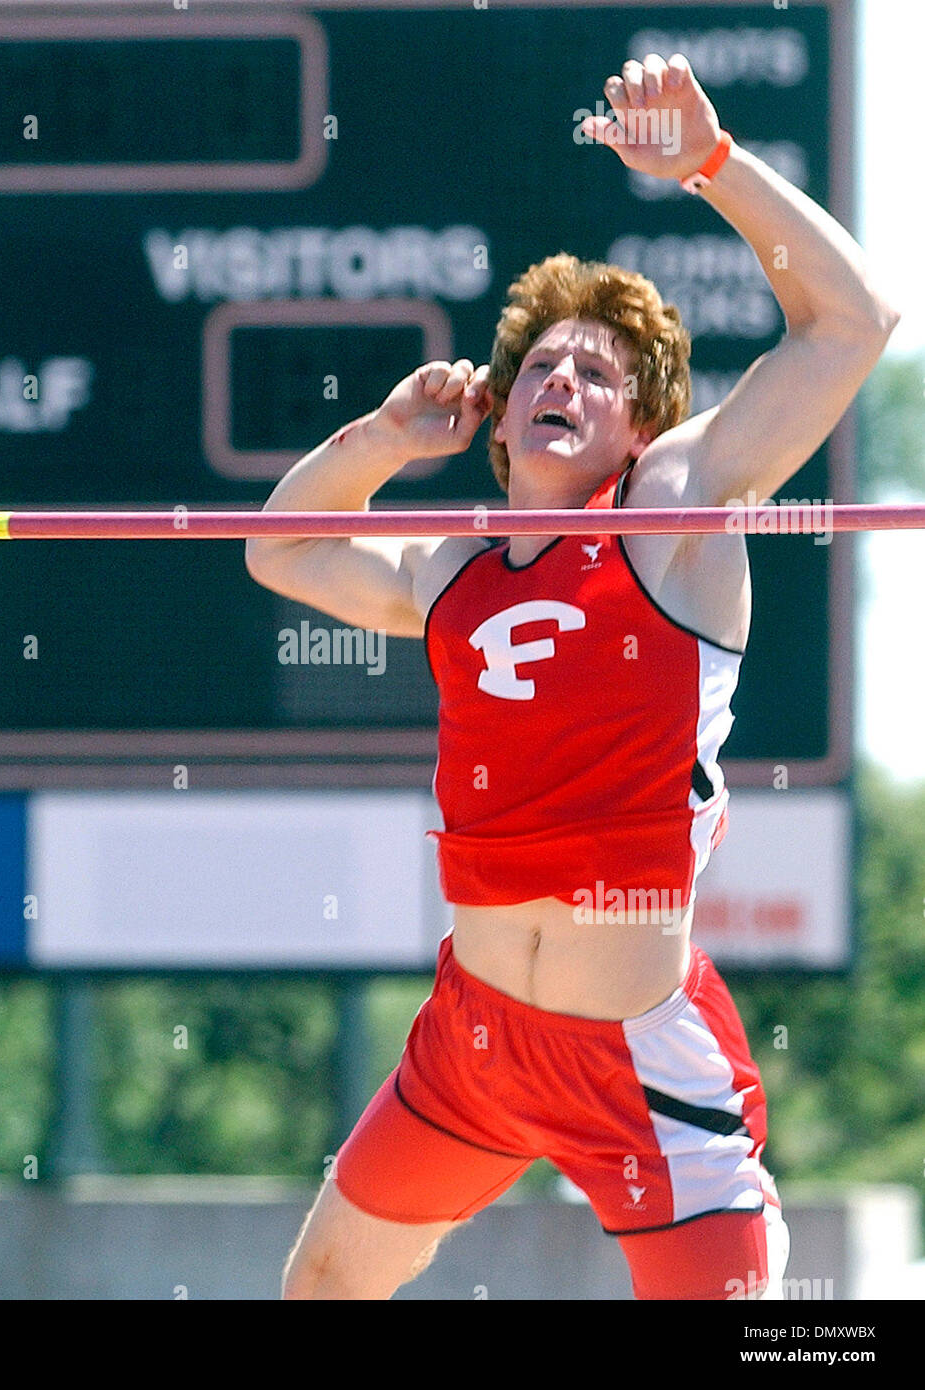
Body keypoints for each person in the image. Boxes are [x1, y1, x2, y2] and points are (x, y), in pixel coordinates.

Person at [245, 54, 897, 1300]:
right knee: (321, 1285)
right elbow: (278, 546)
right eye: (543, 367)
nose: (563, 383)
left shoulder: (672, 512)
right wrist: (380, 437)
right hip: (475, 1042)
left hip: (635, 1055)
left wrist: (709, 165)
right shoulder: (448, 568)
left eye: (598, 376)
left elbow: (852, 322)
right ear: (497, 420)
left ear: (637, 429)